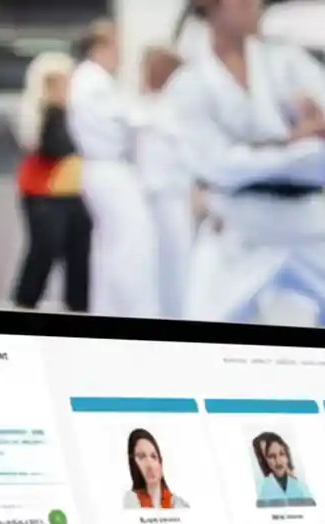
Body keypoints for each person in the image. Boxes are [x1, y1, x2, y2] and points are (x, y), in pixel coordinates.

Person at [164, 0, 325, 330]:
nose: (255, 5)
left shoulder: (291, 64)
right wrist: (291, 139)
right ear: (210, 6)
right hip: (240, 227)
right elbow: (216, 165)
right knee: (201, 334)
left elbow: (324, 147)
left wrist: (253, 150)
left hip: (307, 220)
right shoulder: (188, 85)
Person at [68, 19, 161, 318]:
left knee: (110, 247)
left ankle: (109, 310)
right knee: (133, 243)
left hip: (104, 171)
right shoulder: (92, 81)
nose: (121, 56)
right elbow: (130, 116)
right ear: (100, 48)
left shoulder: (92, 80)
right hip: (109, 170)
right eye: (117, 48)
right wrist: (161, 111)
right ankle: (135, 312)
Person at [11, 52, 91, 313]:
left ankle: (78, 309)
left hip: (77, 192)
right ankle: (25, 303)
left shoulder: (80, 111)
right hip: (42, 192)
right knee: (45, 249)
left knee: (80, 256)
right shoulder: (40, 113)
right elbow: (52, 146)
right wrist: (57, 109)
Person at [135, 46, 195, 319]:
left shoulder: (172, 109)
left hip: (174, 196)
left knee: (179, 265)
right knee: (159, 267)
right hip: (155, 196)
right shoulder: (149, 106)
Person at [124, 429, 189, 509]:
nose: (149, 465)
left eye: (153, 456)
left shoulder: (180, 506)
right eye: (141, 457)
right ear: (133, 463)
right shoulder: (129, 503)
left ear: (160, 463)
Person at [253, 432, 316, 508]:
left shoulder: (300, 484)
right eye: (271, 456)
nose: (278, 461)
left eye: (282, 454)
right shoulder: (262, 488)